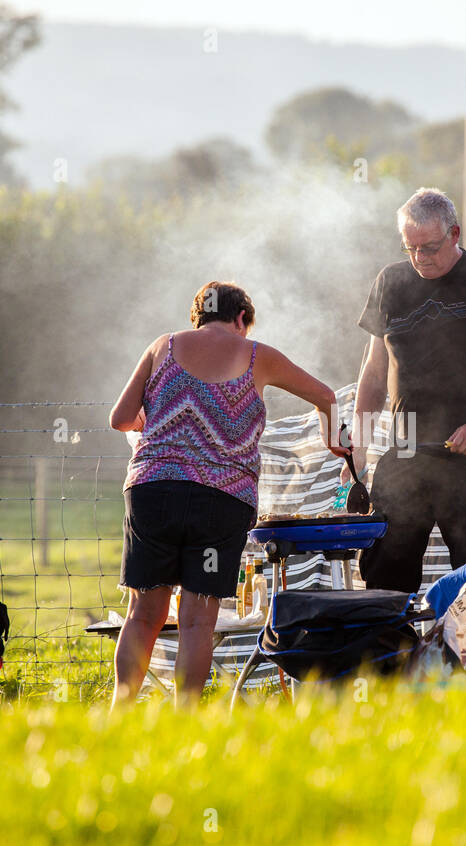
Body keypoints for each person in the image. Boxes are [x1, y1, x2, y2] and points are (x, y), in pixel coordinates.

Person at [109, 281, 347, 707]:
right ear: (242, 319)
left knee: (143, 615)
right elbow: (325, 396)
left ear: (197, 316)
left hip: (153, 492)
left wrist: (150, 420)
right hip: (220, 504)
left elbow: (120, 418)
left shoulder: (162, 346)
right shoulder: (257, 355)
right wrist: (332, 438)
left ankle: (119, 711)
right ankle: (186, 719)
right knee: (198, 622)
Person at [347, 187, 466, 594]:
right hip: (406, 451)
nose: (420, 258)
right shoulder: (390, 281)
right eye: (410, 248)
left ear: (455, 233)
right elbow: (374, 374)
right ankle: (388, 659)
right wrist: (355, 442)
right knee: (383, 577)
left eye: (429, 247)